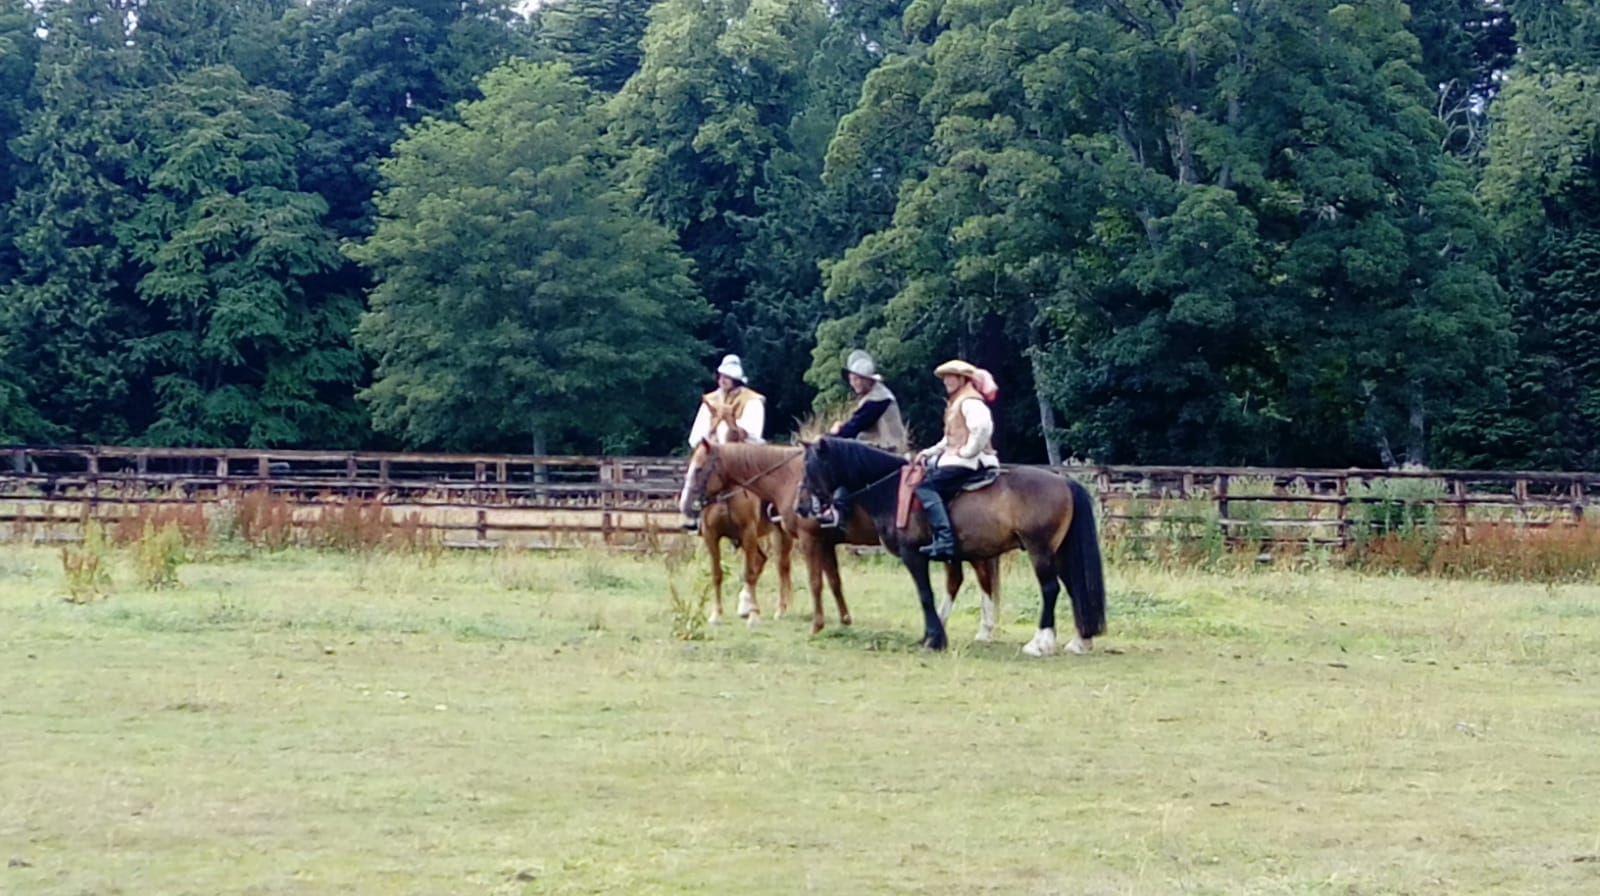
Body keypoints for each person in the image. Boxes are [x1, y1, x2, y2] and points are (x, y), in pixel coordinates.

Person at [912, 359, 999, 560]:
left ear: (963, 378)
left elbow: (983, 428)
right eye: (945, 377)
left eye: (951, 376)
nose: (946, 381)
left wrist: (968, 452)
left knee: (925, 487)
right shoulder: (957, 401)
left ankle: (945, 541)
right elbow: (950, 438)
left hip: (969, 461)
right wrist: (929, 452)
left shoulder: (970, 401)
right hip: (959, 459)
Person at [819, 350, 908, 529]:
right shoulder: (873, 397)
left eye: (859, 379)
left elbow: (854, 427)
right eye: (853, 379)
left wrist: (827, 439)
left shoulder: (878, 399)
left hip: (886, 450)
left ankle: (840, 510)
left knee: (843, 467)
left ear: (870, 380)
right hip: (876, 447)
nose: (855, 383)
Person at [687, 354, 765, 449]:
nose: (722, 380)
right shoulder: (711, 400)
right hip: (711, 452)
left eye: (727, 377)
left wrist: (731, 424)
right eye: (721, 376)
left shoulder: (752, 400)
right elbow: (697, 434)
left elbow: (753, 436)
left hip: (739, 453)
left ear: (736, 379)